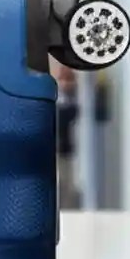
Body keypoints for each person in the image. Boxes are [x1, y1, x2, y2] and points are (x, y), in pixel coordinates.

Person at [54, 62, 79, 209]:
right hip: (55, 149)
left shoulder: (73, 102)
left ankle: (66, 209)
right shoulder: (57, 102)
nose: (65, 84)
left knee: (67, 184)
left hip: (66, 150)